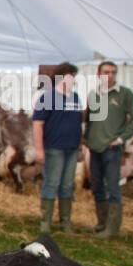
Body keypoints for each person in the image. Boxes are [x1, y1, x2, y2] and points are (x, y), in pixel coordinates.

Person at [85, 61, 133, 239]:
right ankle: (102, 223)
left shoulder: (124, 94)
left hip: (112, 148)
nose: (110, 76)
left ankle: (112, 229)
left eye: (113, 72)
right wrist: (86, 138)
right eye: (106, 72)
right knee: (96, 186)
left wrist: (121, 139)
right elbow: (90, 120)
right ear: (98, 74)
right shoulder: (93, 95)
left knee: (112, 187)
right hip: (94, 148)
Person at [32, 61, 83, 233]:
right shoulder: (47, 97)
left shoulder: (75, 98)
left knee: (67, 185)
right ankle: (45, 221)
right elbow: (37, 124)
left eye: (74, 76)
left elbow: (78, 124)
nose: (74, 80)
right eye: (71, 76)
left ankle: (65, 221)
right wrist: (39, 149)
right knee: (51, 183)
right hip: (54, 148)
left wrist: (81, 147)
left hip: (72, 148)